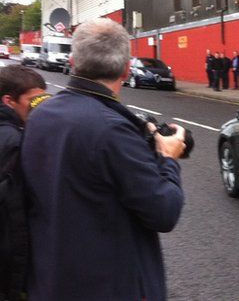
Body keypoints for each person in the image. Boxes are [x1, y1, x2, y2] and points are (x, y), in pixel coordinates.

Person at [21, 18, 186, 301]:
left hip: (51, 278)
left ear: (72, 62)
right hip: (109, 285)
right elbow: (164, 211)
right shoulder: (112, 130)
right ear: (126, 69)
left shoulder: (40, 116)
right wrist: (168, 157)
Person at [0, 66, 46, 301]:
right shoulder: (15, 142)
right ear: (9, 101)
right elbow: (18, 213)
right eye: (33, 101)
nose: (39, 107)